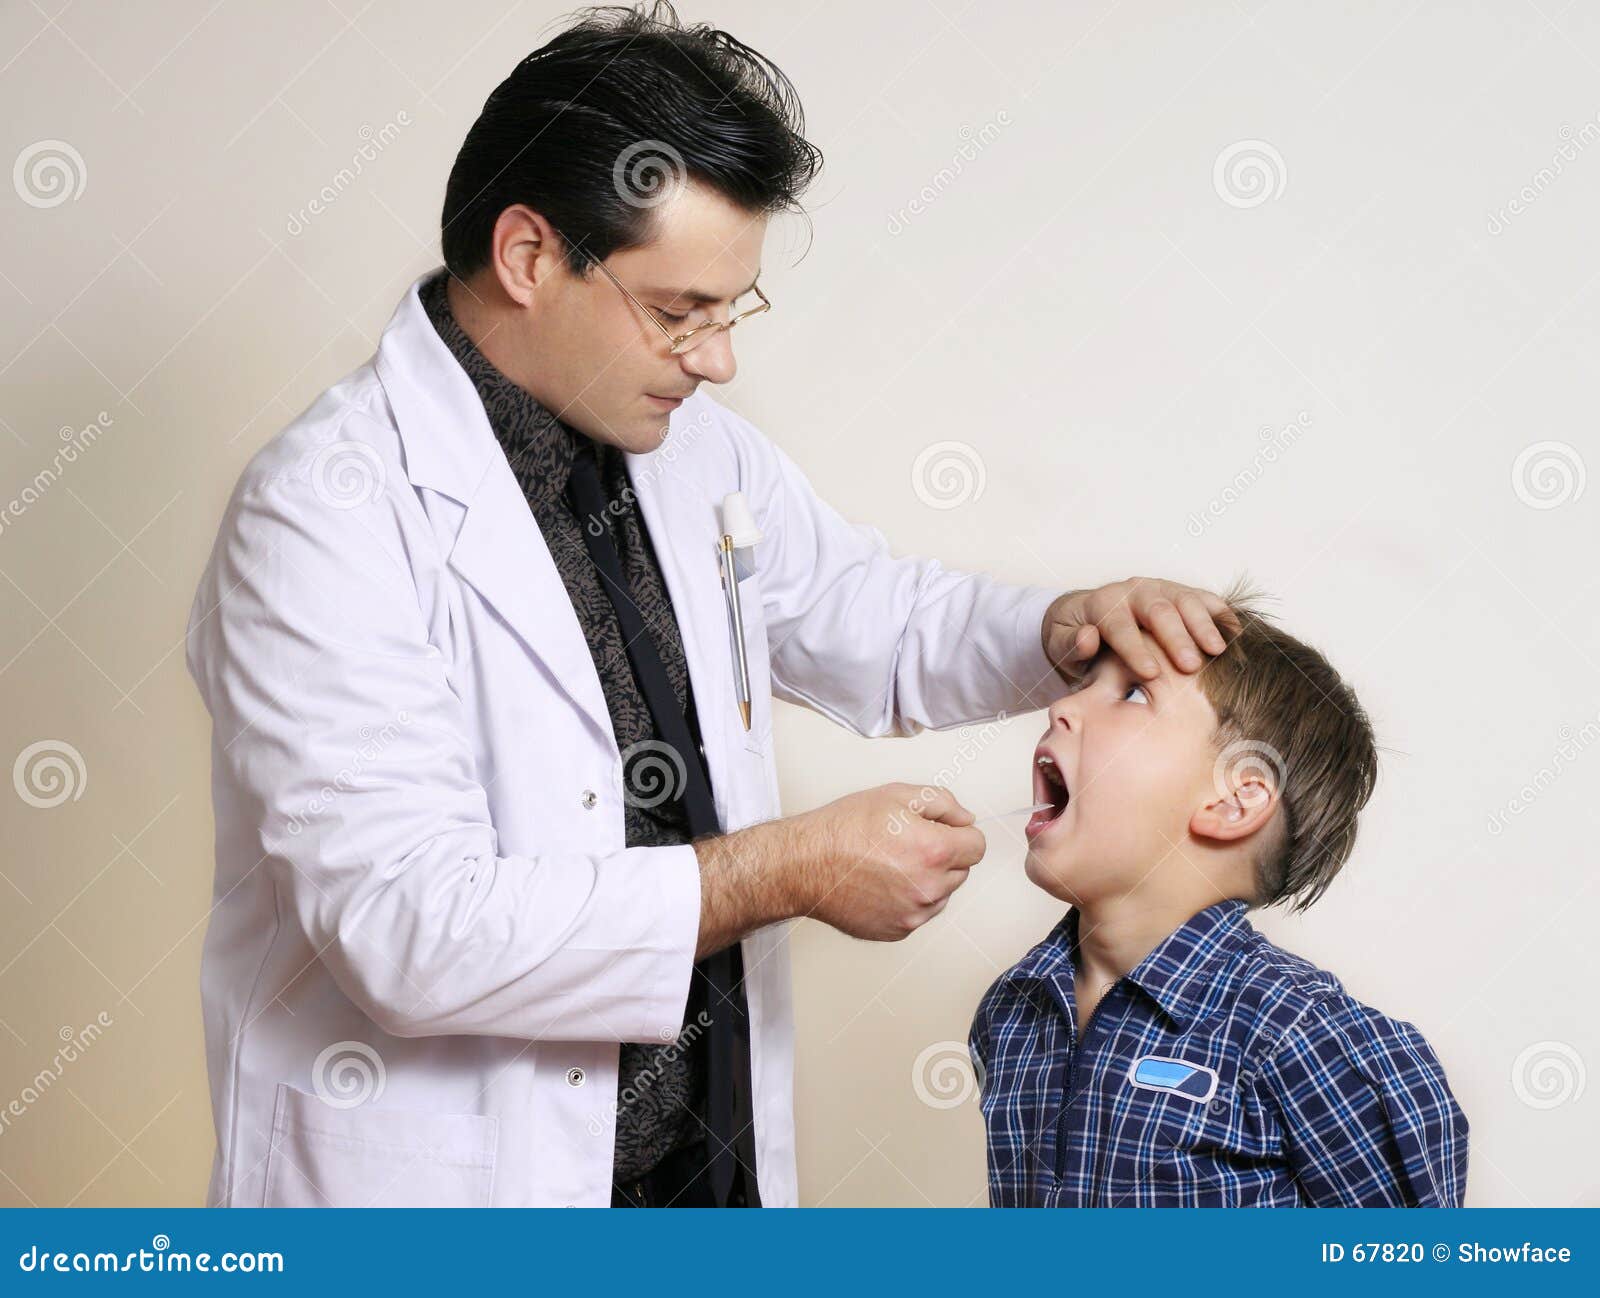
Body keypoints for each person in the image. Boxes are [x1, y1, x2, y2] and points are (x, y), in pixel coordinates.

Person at [185, 1, 1234, 1209]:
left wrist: (1061, 629)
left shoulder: (695, 450)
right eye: (680, 311)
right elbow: (411, 926)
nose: (718, 357)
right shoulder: (325, 510)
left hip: (707, 1173)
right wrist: (785, 870)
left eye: (731, 310)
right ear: (529, 256)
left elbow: (862, 612)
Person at [970, 583, 1469, 1206]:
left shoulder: (1303, 1034)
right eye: (1081, 684)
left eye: (1131, 693)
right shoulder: (1012, 1012)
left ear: (1234, 800)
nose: (1060, 709)